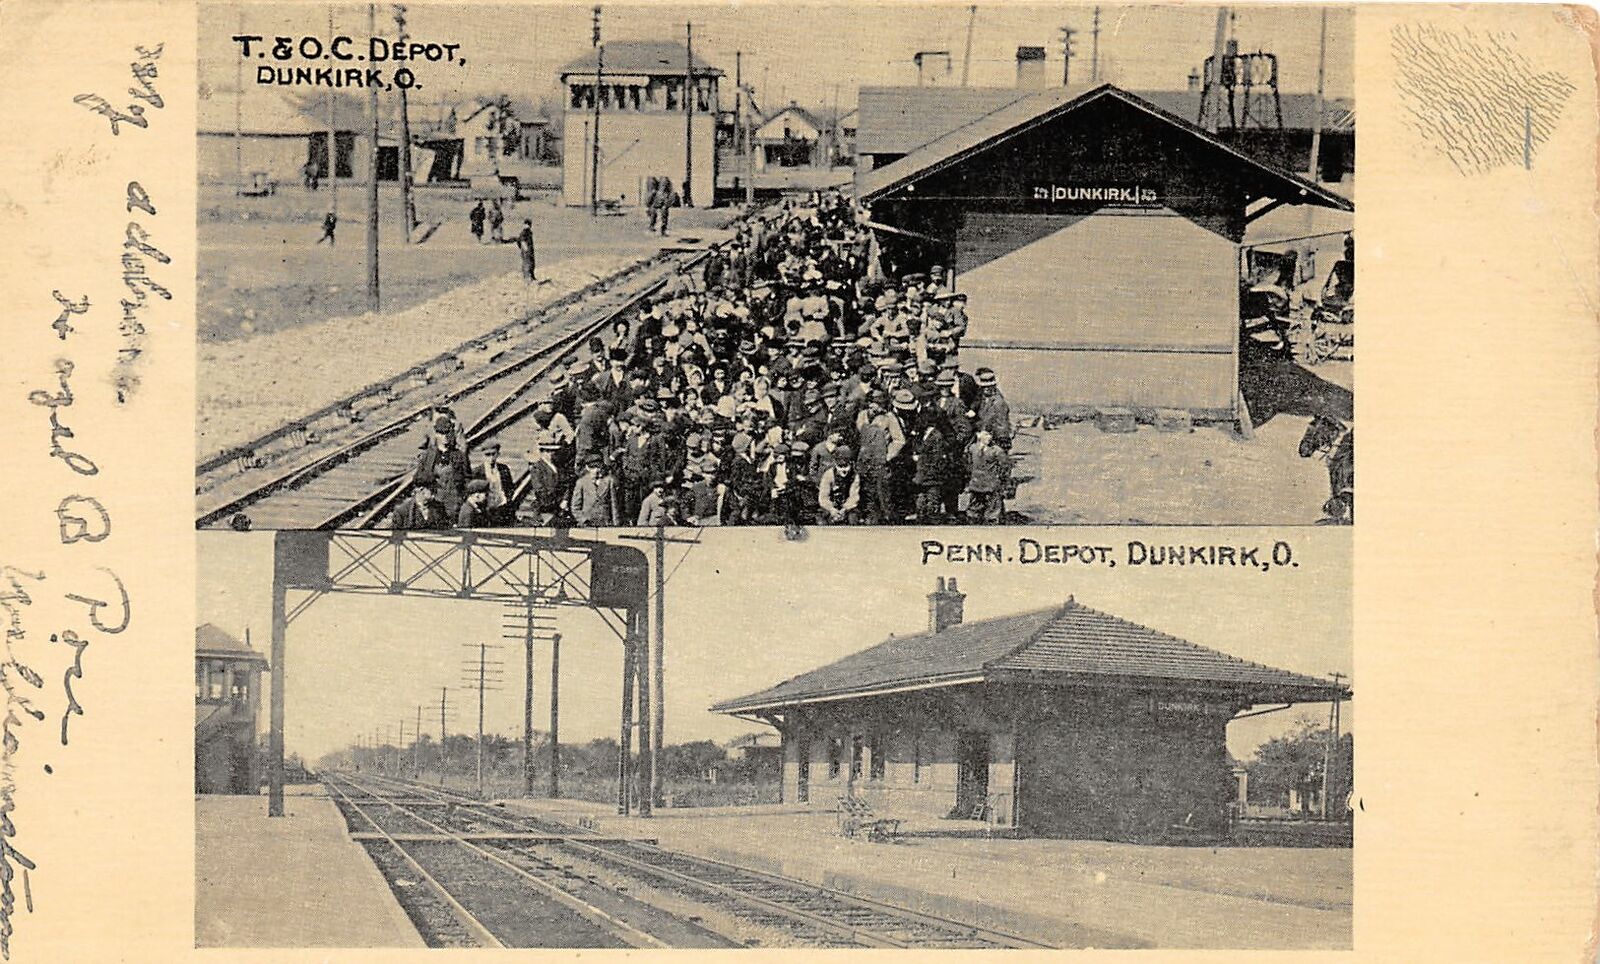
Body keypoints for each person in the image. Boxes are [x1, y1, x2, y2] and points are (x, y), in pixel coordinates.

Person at [413, 416, 470, 521]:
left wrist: (462, 501)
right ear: (436, 434)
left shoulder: (459, 456)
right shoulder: (427, 456)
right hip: (434, 505)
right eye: (441, 433)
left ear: (451, 432)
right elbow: (418, 479)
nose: (445, 436)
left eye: (447, 432)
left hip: (454, 505)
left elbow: (467, 479)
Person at [517, 433, 568, 527]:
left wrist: (565, 499)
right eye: (548, 451)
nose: (551, 454)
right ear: (542, 452)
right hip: (545, 507)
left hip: (559, 504)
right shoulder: (537, 468)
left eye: (553, 451)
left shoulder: (557, 466)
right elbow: (540, 490)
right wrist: (558, 502)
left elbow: (565, 483)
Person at [965, 428, 1007, 524]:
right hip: (976, 483)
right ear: (978, 435)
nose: (989, 437)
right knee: (974, 507)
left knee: (993, 507)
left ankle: (992, 521)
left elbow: (1004, 466)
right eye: (986, 434)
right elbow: (968, 465)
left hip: (991, 483)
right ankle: (973, 520)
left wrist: (999, 478)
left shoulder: (996, 451)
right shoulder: (972, 448)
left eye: (990, 435)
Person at [569, 454, 620, 526]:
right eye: (593, 468)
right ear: (587, 468)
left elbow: (614, 506)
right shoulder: (581, 482)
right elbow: (575, 507)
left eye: (598, 467)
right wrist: (583, 520)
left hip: (605, 524)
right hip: (587, 525)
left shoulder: (609, 481)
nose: (596, 470)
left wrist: (616, 524)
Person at [473, 442, 516, 526]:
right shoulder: (477, 472)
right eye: (487, 455)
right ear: (483, 455)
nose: (491, 458)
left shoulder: (504, 469)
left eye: (493, 454)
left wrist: (507, 499)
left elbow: (510, 487)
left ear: (498, 454)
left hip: (502, 507)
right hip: (486, 509)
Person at [817, 445, 861, 524]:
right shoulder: (828, 475)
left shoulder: (854, 476)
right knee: (821, 521)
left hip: (847, 507)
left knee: (853, 518)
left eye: (846, 466)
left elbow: (854, 496)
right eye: (840, 466)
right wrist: (831, 509)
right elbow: (823, 497)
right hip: (831, 506)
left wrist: (845, 509)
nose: (843, 470)